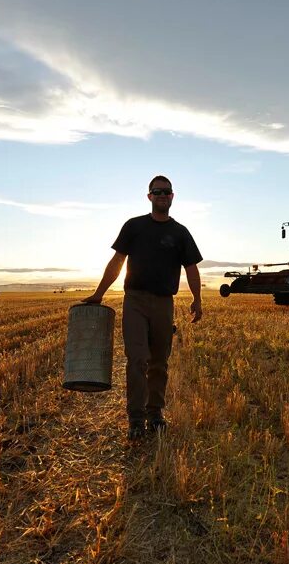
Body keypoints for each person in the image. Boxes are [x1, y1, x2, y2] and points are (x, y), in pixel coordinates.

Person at [83, 175, 203, 440]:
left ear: (172, 196)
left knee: (160, 362)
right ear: (149, 196)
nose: (162, 195)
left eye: (167, 191)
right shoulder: (134, 226)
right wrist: (99, 293)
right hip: (135, 300)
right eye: (157, 191)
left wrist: (197, 299)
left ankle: (155, 413)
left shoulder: (180, 232)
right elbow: (117, 260)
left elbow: (191, 268)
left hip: (164, 303)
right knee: (137, 360)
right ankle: (135, 418)